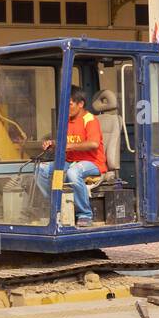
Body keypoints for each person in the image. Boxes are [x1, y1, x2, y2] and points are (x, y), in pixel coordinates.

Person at [36, 89, 107, 227]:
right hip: (70, 161)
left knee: (73, 172)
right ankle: (56, 206)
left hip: (92, 163)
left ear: (80, 104)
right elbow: (65, 143)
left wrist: (67, 147)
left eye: (69, 104)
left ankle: (85, 214)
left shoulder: (90, 120)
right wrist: (53, 144)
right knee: (41, 169)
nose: (66, 107)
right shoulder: (66, 121)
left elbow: (93, 144)